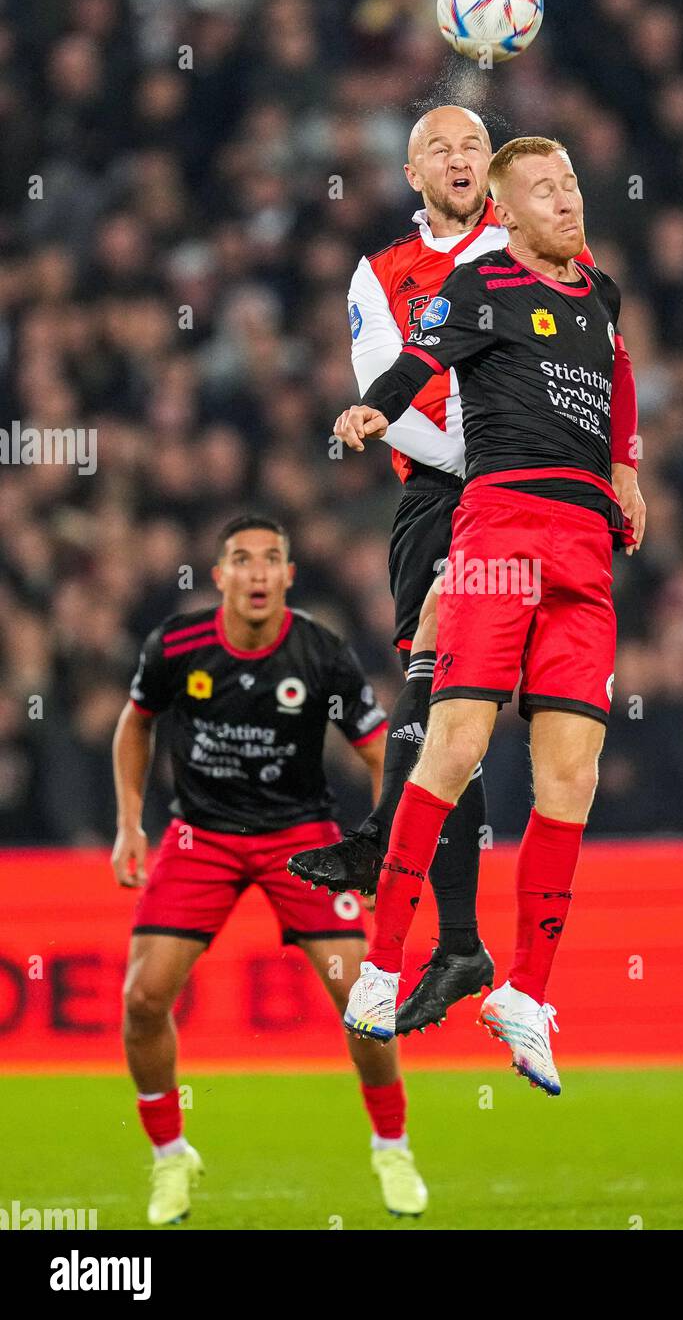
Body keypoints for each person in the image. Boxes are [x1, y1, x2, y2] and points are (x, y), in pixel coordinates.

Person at [288, 106, 645, 1040]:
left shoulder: (573, 274)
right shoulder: (403, 276)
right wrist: (438, 432)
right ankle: (416, 945)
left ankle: (496, 969)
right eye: (438, 147)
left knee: (558, 760)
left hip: (567, 528)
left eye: (473, 144)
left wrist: (623, 465)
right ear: (417, 174)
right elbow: (398, 368)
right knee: (449, 723)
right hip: (466, 496)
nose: (457, 156)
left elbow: (614, 367)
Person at [111, 514, 427, 1223]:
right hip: (201, 838)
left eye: (271, 560)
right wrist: (131, 823)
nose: (257, 572)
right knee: (141, 999)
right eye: (241, 560)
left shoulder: (322, 654)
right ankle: (170, 1158)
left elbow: (381, 754)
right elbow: (135, 723)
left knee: (364, 1006)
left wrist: (379, 847)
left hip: (300, 836)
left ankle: (391, 1144)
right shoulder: (177, 646)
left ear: (289, 576)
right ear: (219, 576)